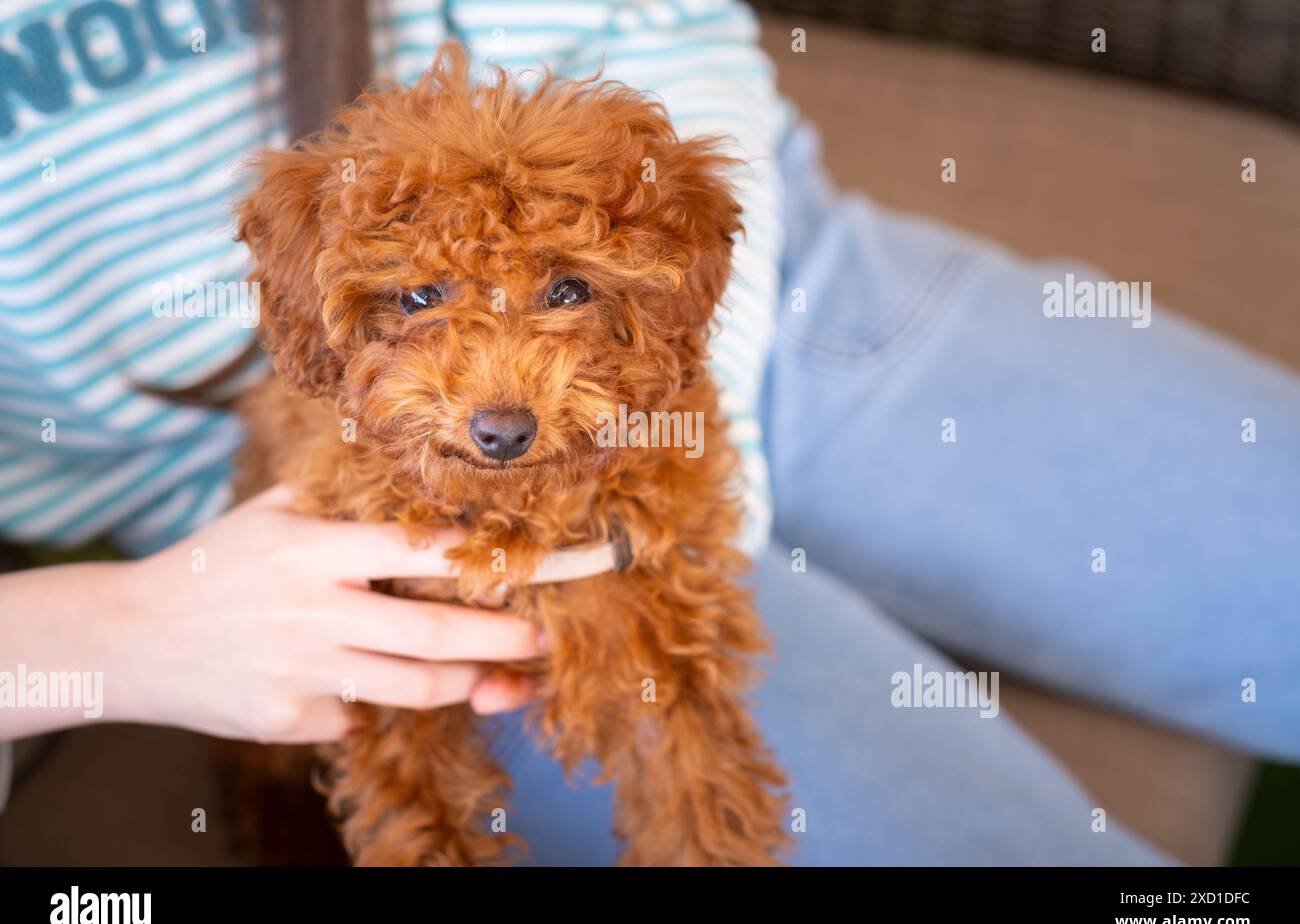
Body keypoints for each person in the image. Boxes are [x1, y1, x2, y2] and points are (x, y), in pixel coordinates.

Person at [1, 0, 1295, 864]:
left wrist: (681, 414)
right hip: (348, 516)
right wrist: (93, 635)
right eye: (421, 292)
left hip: (763, 297)